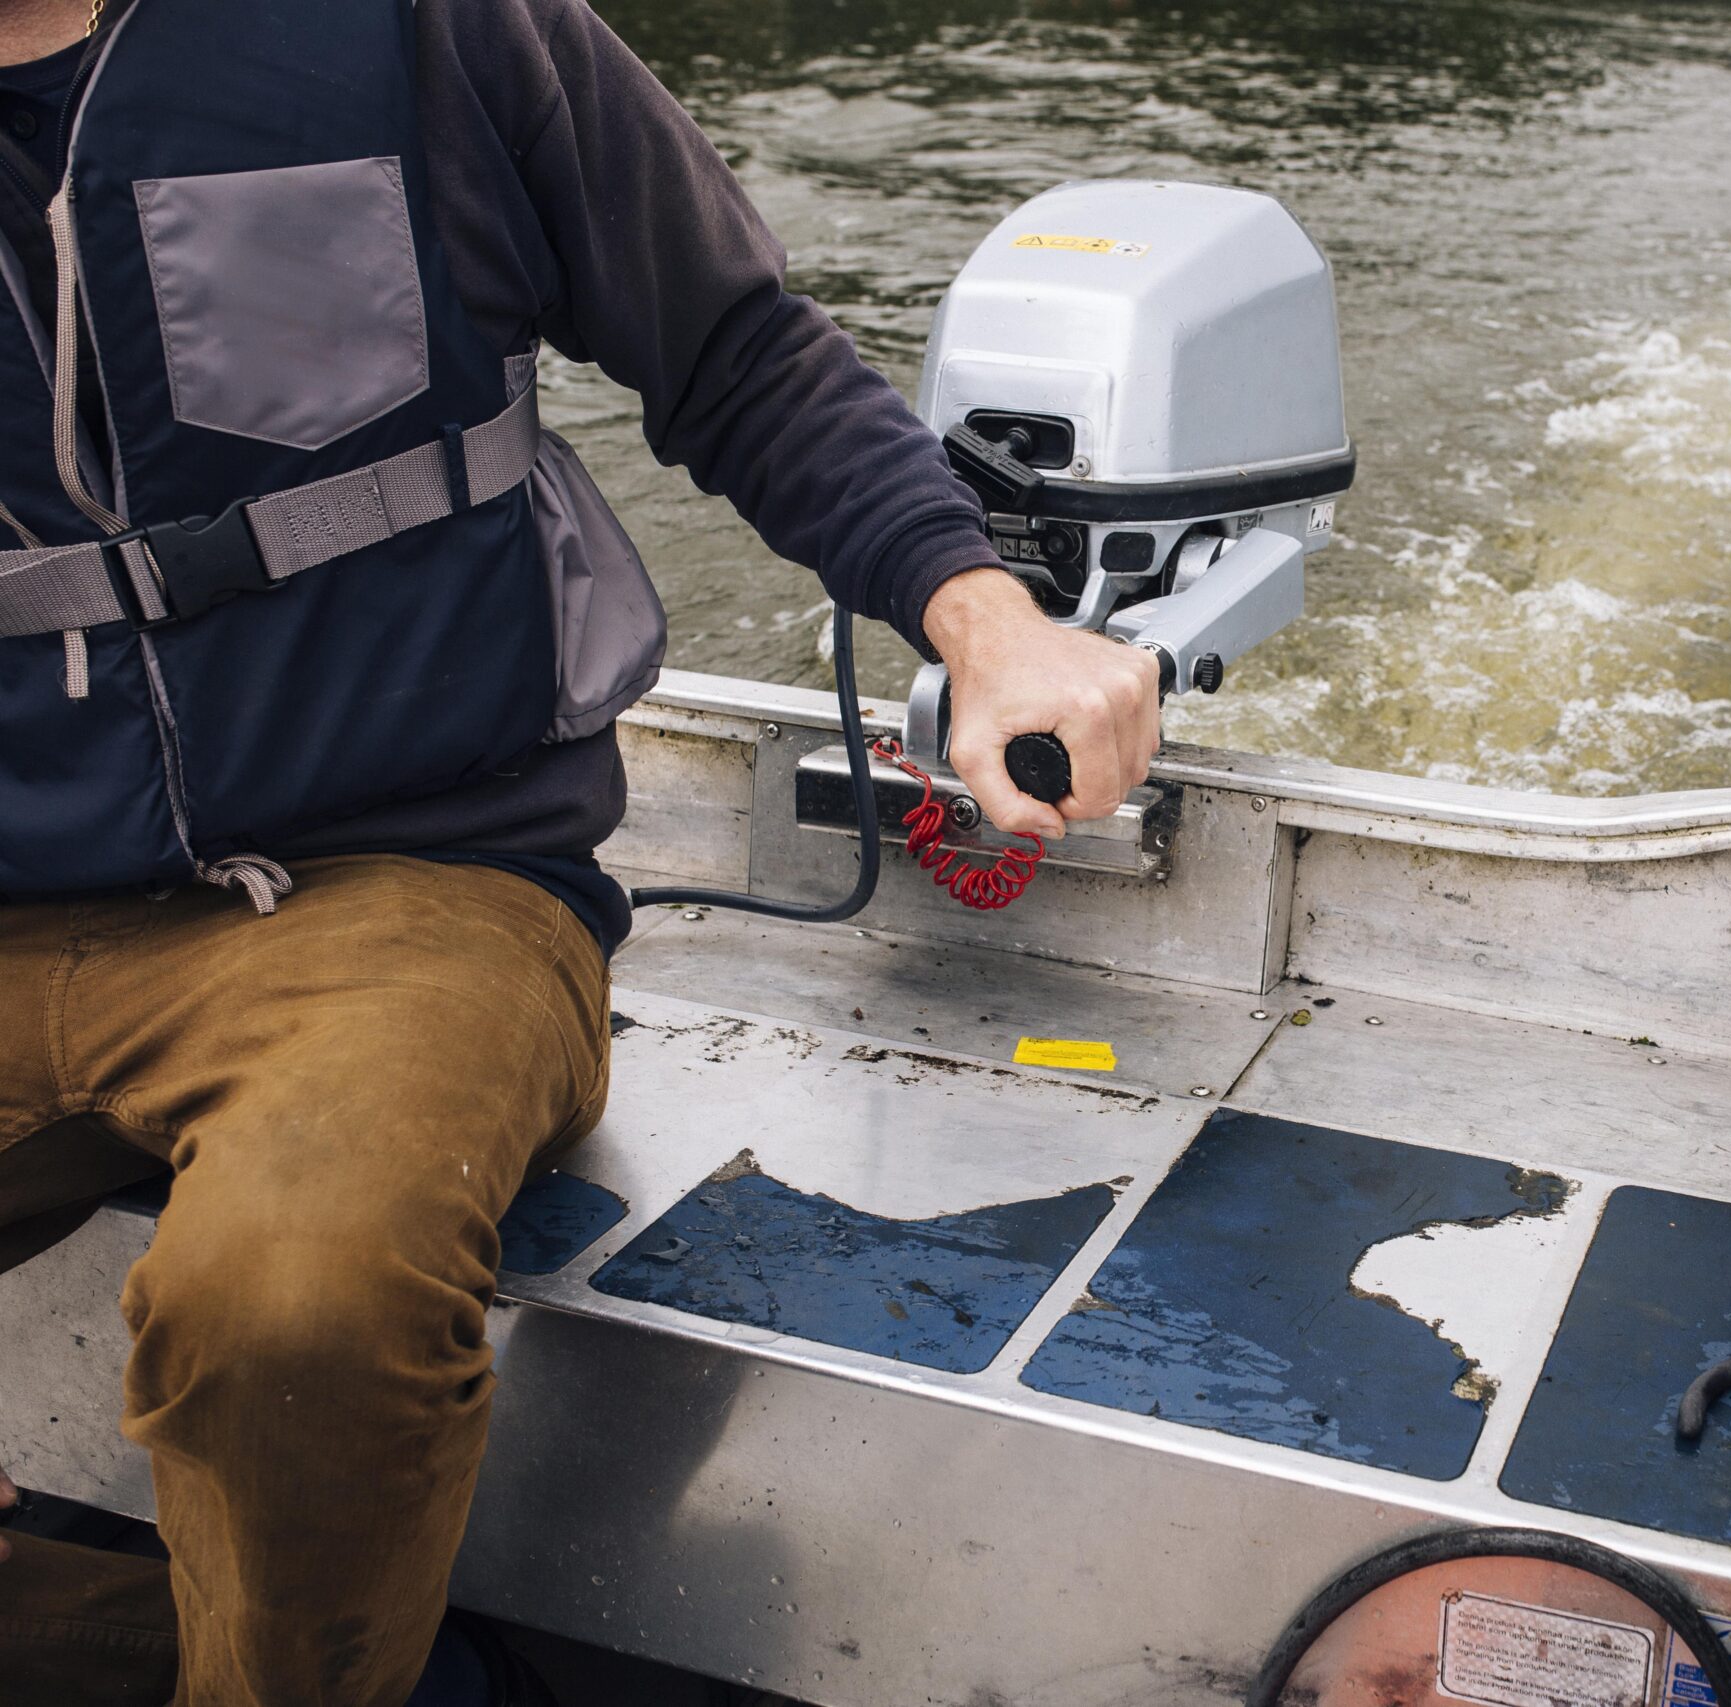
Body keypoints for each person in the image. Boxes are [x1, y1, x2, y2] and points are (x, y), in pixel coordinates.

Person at [0, 0, 1161, 1700]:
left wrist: (984, 618)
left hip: (405, 881)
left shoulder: (433, 27)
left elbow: (738, 354)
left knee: (295, 1305)